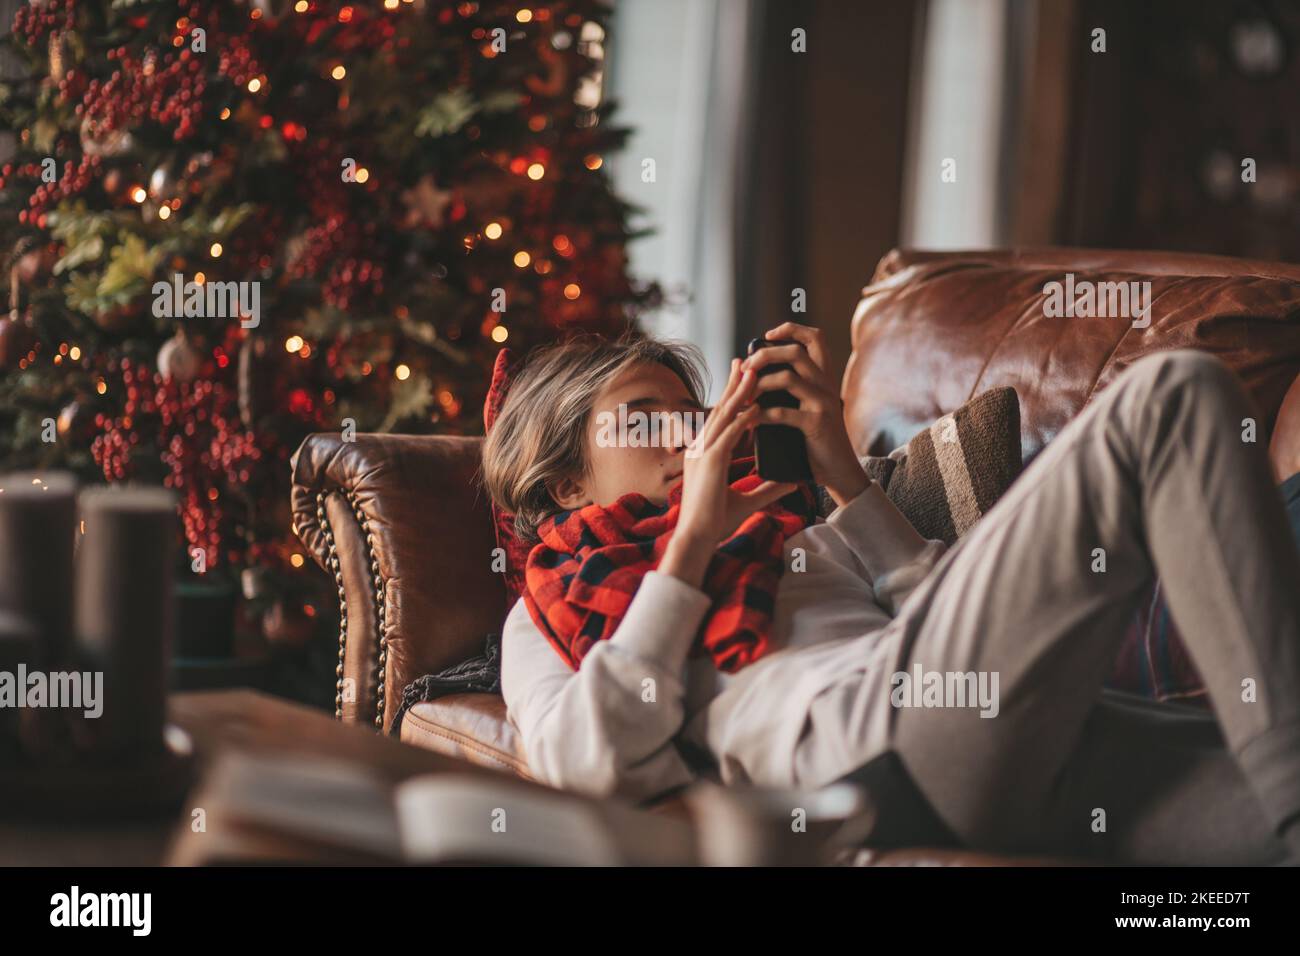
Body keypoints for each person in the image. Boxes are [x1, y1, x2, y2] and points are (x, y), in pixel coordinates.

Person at [482, 323, 1300, 865]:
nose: (688, 434)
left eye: (690, 415)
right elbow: (582, 767)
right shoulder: (545, 610)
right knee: (1175, 395)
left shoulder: (788, 526)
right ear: (561, 484)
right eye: (643, 418)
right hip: (864, 765)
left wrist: (841, 474)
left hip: (1018, 738)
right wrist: (689, 548)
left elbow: (960, 617)